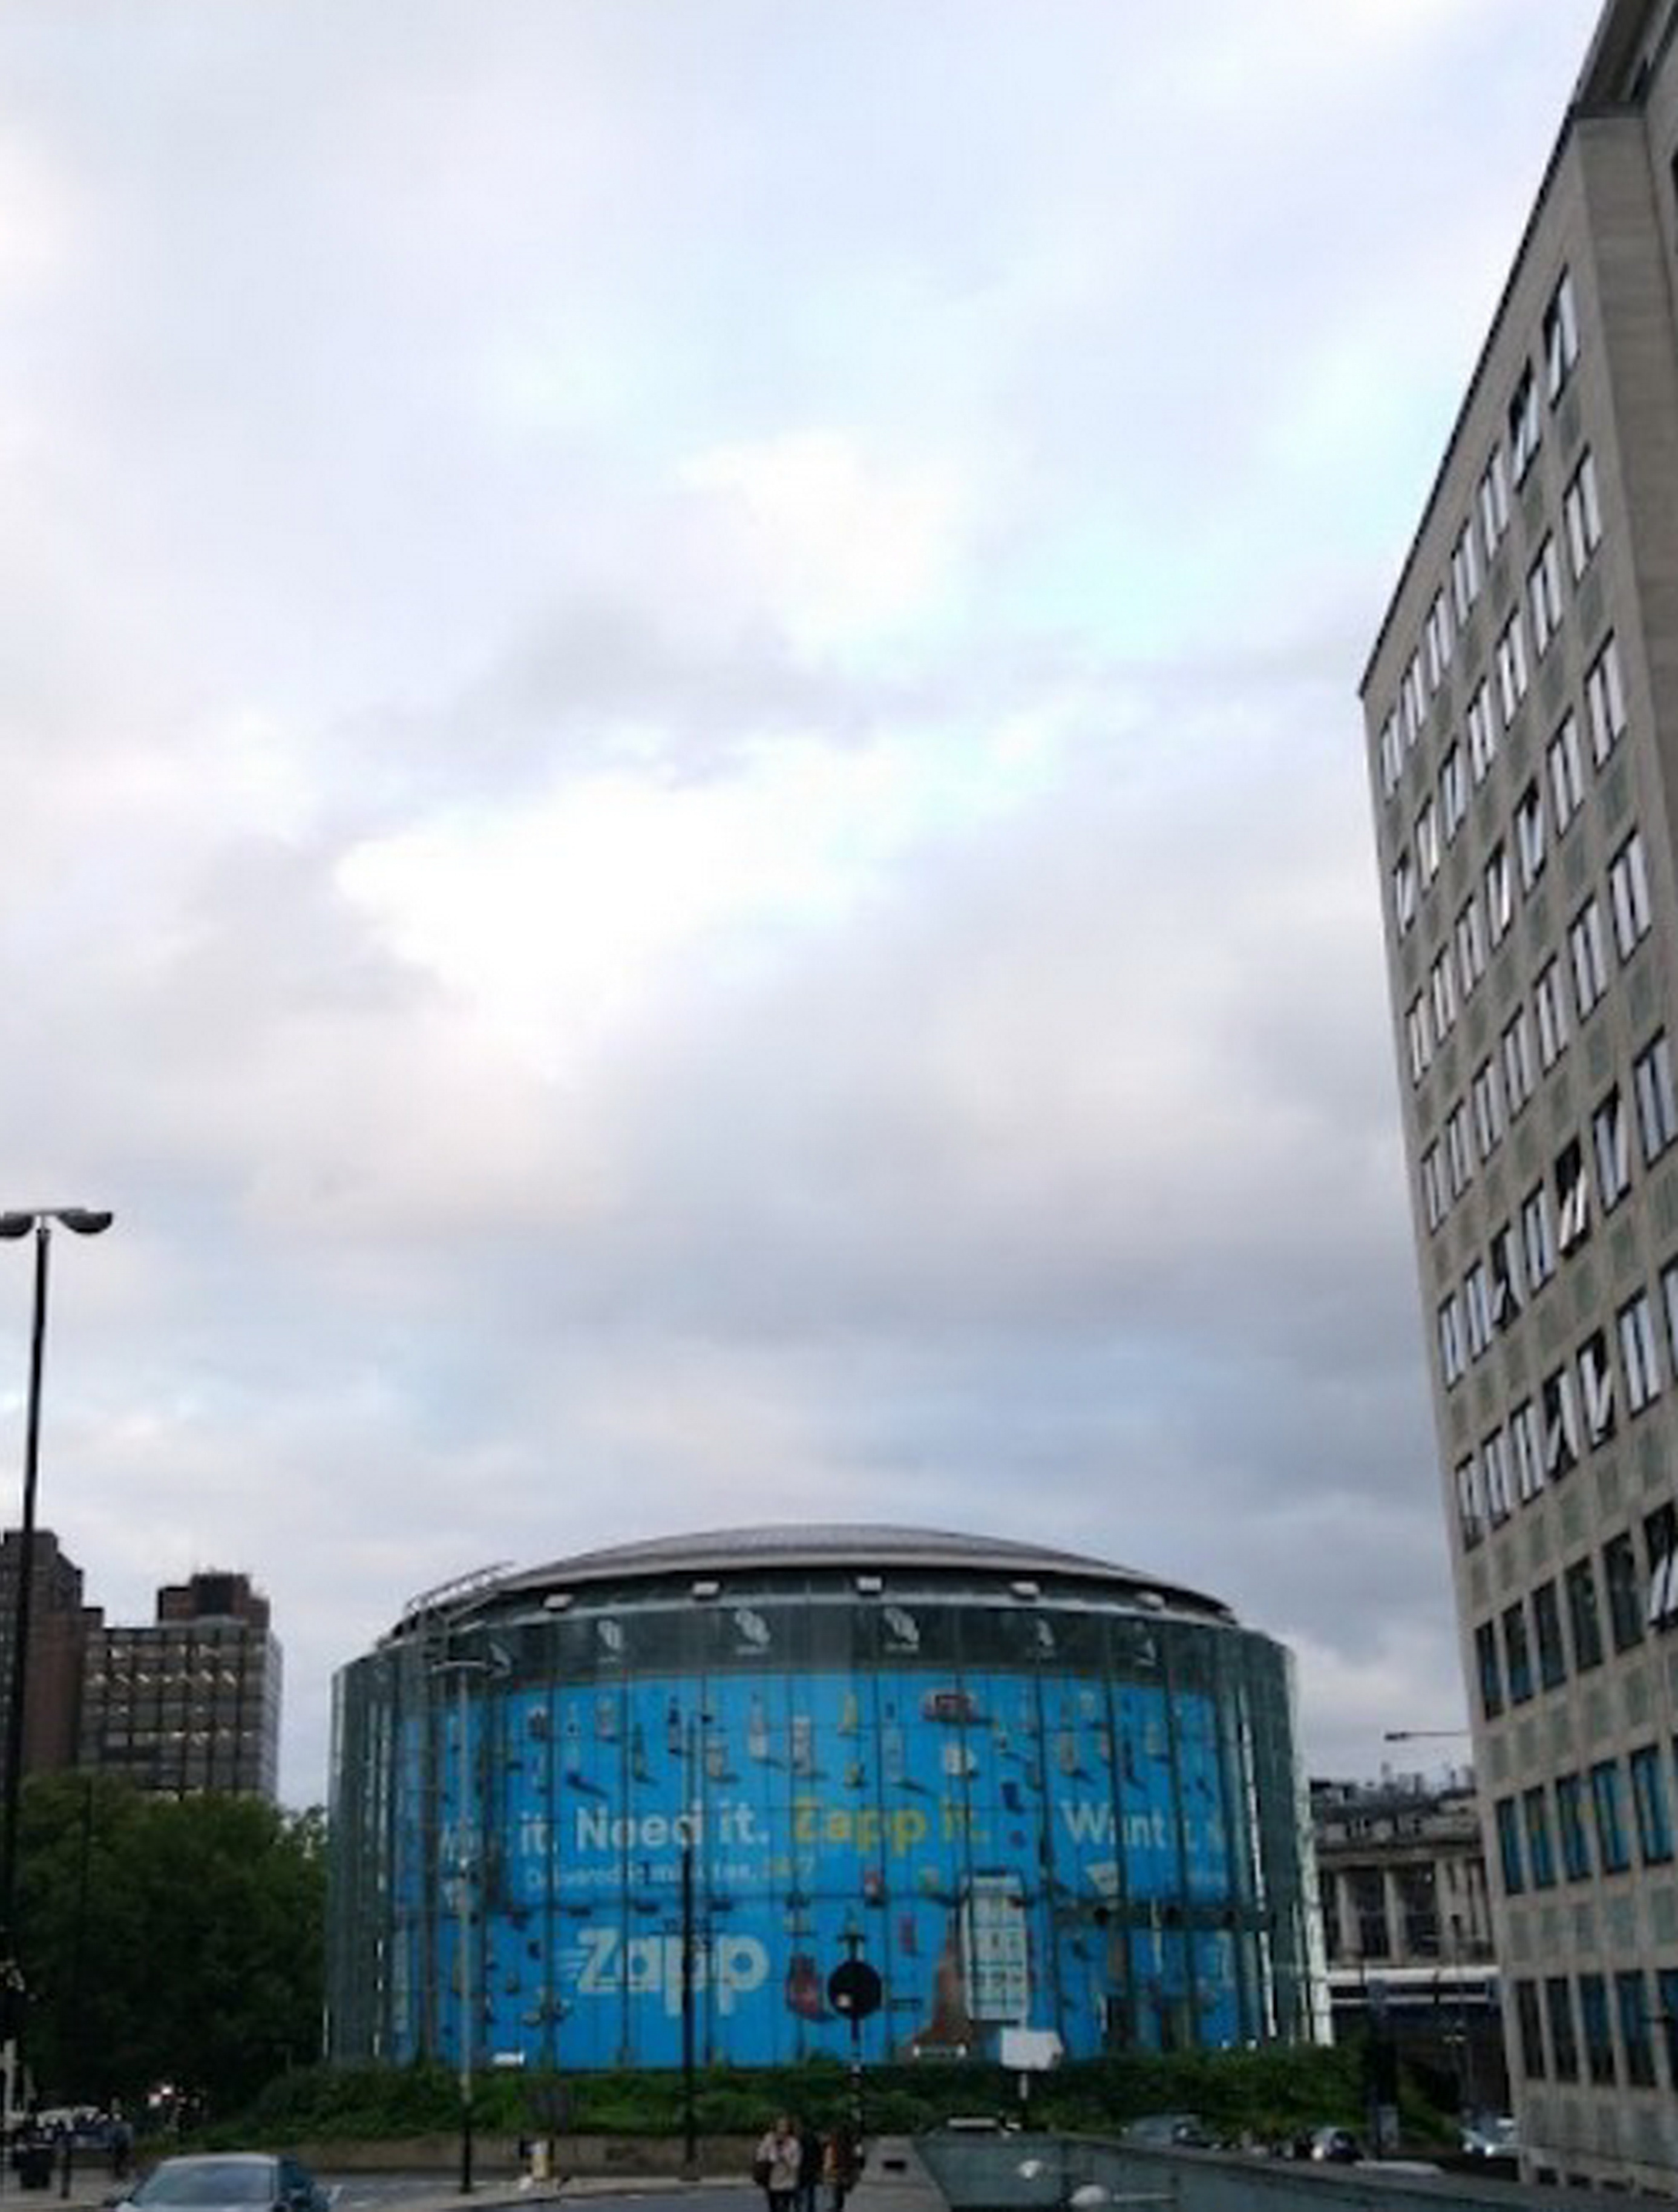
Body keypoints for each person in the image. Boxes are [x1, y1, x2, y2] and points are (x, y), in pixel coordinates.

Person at [754, 2115, 799, 2212]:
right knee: (774, 2208)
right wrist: (770, 2155)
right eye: (780, 2126)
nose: (782, 2129)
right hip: (772, 2180)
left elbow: (796, 2163)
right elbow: (760, 2156)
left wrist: (786, 2159)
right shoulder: (769, 2139)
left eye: (785, 2126)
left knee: (783, 2208)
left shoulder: (793, 2143)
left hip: (788, 2181)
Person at [824, 2122, 860, 2212]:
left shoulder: (832, 2149)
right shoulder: (850, 2149)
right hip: (843, 2180)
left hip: (833, 2180)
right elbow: (857, 2163)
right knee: (839, 2204)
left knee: (833, 2204)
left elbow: (827, 2167)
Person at [796, 2120, 821, 2212]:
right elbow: (819, 2155)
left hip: (802, 2170)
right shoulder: (814, 2139)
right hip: (811, 2170)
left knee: (800, 2195)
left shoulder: (799, 2140)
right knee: (811, 2194)